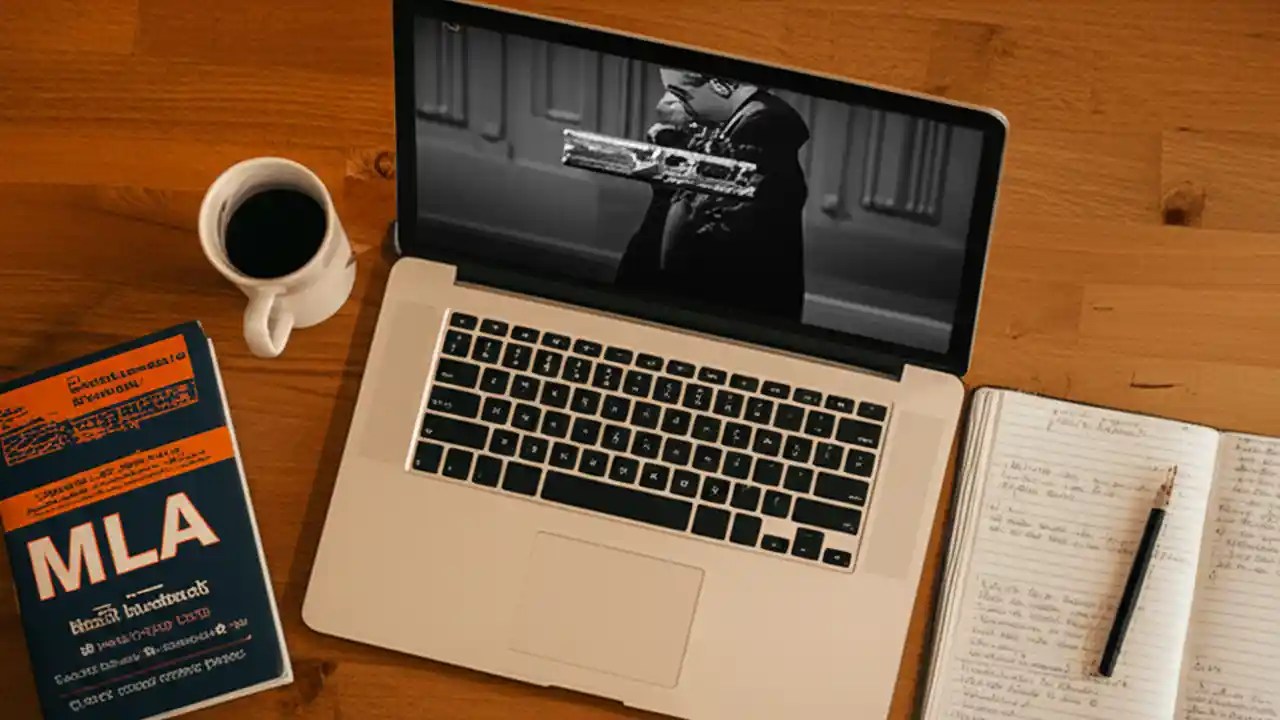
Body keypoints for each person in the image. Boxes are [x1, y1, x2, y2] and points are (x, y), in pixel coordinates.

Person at [616, 69, 810, 320]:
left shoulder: (757, 135)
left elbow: (686, 248)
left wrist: (675, 173)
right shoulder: (746, 127)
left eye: (681, 94)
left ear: (720, 85)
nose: (663, 104)